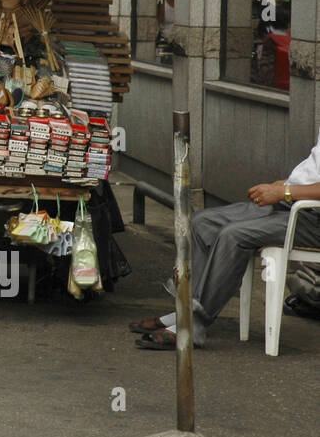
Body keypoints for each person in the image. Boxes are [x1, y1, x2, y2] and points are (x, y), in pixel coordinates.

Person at [130, 130, 320, 349]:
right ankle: (185, 310)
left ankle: (194, 325)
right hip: (294, 204)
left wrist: (286, 192)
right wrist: (284, 184)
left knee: (234, 236)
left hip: (312, 218)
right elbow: (313, 169)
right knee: (200, 223)